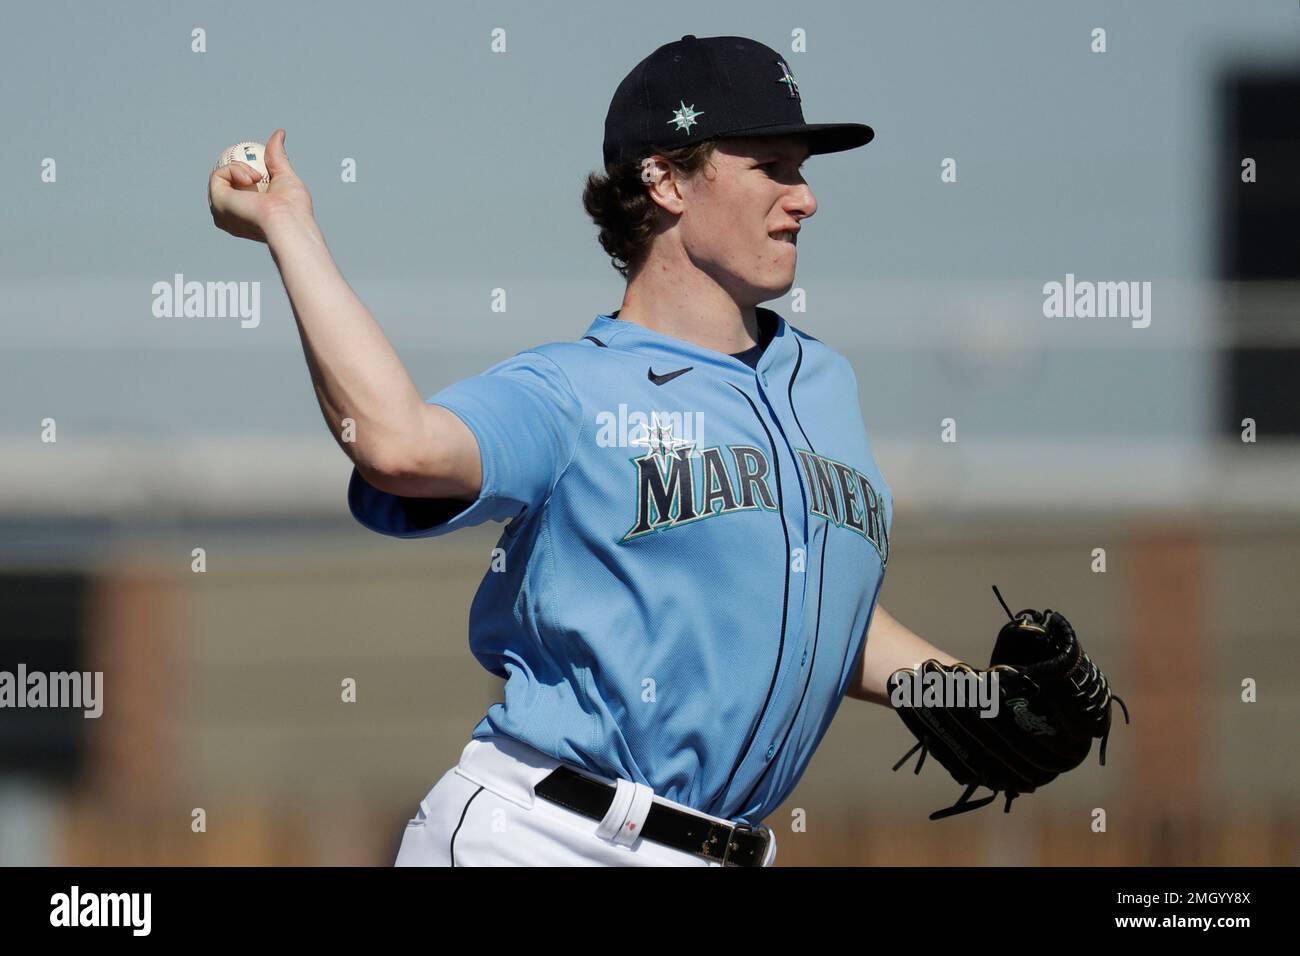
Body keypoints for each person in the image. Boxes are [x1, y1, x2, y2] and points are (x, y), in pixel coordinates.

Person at [208, 34, 961, 867]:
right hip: (546, 837)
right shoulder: (569, 392)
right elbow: (395, 444)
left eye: (803, 167)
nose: (805, 197)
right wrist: (291, 229)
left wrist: (969, 696)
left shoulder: (823, 385)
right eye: (770, 166)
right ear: (666, 178)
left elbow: (814, 612)